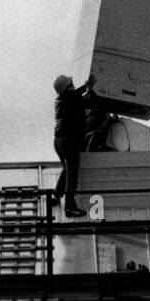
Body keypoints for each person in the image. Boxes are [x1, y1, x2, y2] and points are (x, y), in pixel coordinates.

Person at [52, 72, 95, 216]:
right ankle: (69, 206)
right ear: (69, 86)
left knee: (67, 169)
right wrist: (90, 88)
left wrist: (86, 87)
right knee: (72, 174)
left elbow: (76, 95)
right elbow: (89, 101)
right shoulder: (72, 98)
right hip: (69, 141)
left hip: (58, 141)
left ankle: (56, 195)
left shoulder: (61, 100)